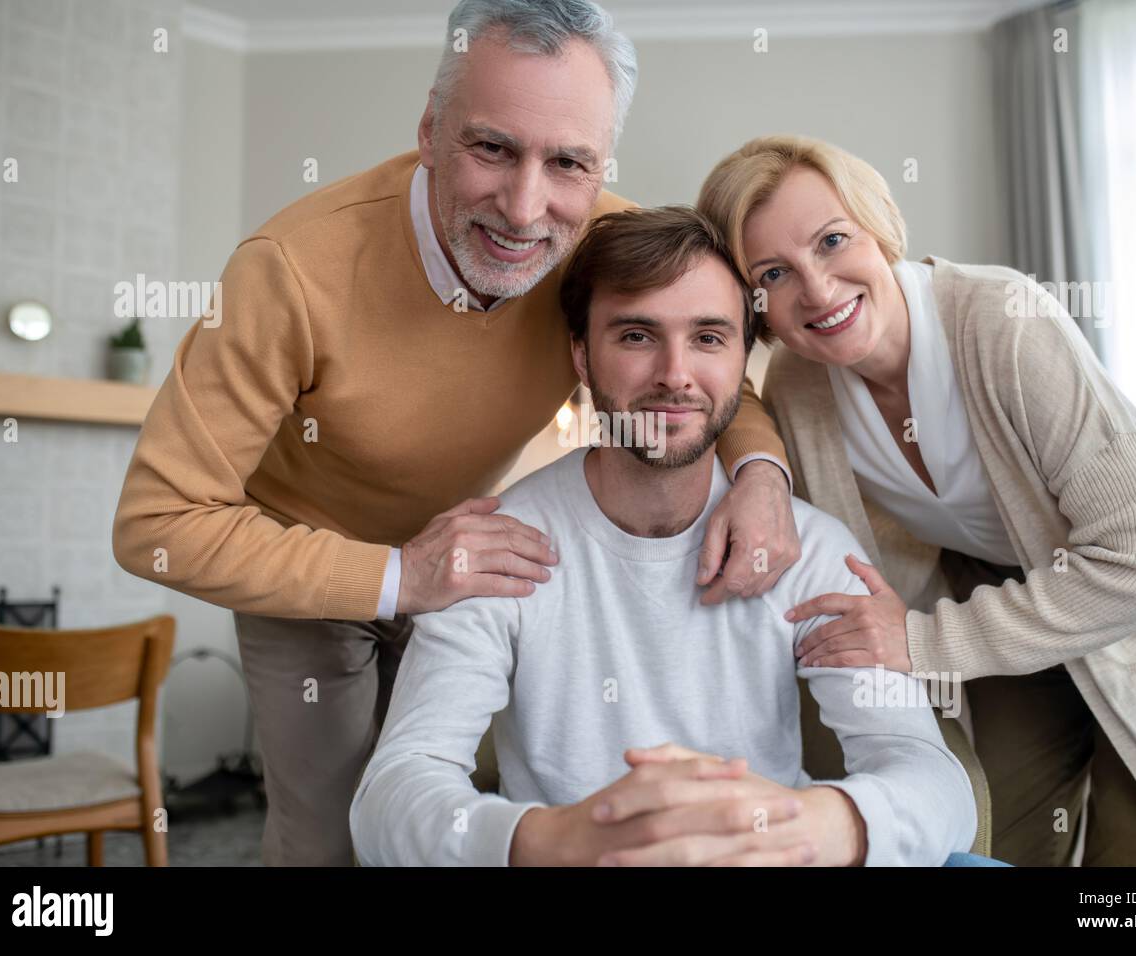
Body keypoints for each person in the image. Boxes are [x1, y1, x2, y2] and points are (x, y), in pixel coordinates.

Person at [112, 1, 800, 866]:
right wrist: (399, 574)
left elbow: (711, 367)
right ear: (432, 129)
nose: (525, 208)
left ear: (599, 165)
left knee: (451, 815)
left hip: (473, 555)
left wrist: (764, 477)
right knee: (330, 832)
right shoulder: (288, 272)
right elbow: (155, 524)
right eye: (491, 148)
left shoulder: (602, 243)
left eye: (568, 163)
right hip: (307, 565)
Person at [350, 205, 980, 867]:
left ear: (741, 361)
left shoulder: (806, 547)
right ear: (581, 356)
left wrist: (820, 827)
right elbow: (390, 796)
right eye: (636, 336)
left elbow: (935, 783)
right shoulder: (499, 549)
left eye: (708, 338)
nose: (675, 374)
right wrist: (549, 841)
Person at [696, 134, 1136, 866]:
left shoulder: (1004, 323)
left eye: (833, 240)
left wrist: (924, 642)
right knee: (990, 840)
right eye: (775, 272)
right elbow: (723, 388)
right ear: (755, 304)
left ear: (879, 222)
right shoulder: (801, 387)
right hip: (999, 607)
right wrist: (759, 475)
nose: (819, 289)